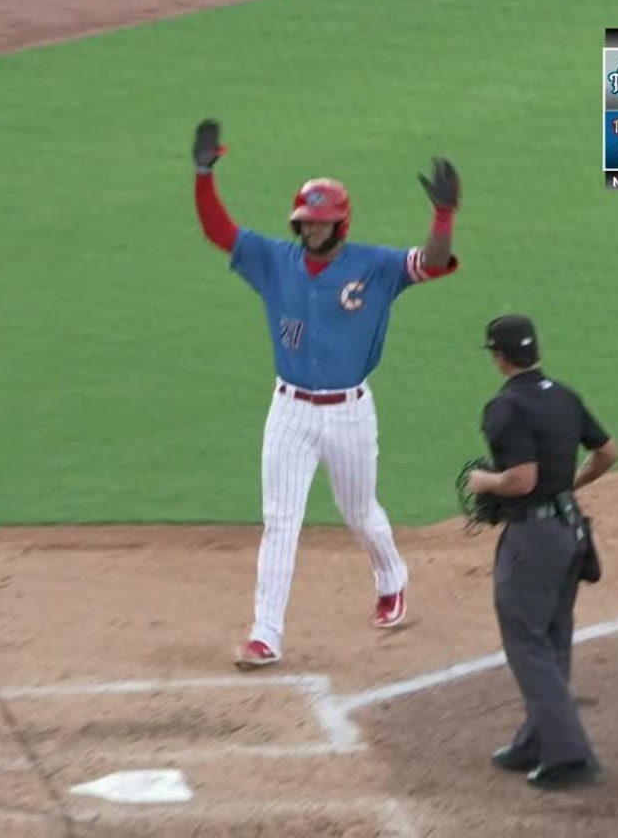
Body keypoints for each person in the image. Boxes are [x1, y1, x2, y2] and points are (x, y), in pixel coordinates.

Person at [190, 118, 462, 669]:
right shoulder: (275, 261)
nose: (310, 231)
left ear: (340, 225)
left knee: (358, 510)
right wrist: (203, 175)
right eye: (305, 223)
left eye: (319, 224)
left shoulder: (377, 267)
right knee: (281, 520)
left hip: (350, 413)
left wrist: (443, 215)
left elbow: (432, 262)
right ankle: (266, 634)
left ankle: (391, 579)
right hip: (288, 410)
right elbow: (221, 231)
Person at [461, 314, 618, 789]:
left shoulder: (505, 408)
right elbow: (608, 452)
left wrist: (483, 480)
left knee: (527, 643)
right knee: (552, 638)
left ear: (499, 356)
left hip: (534, 540)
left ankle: (568, 755)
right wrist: (567, 488)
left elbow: (521, 480)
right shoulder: (563, 395)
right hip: (570, 532)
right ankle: (535, 738)